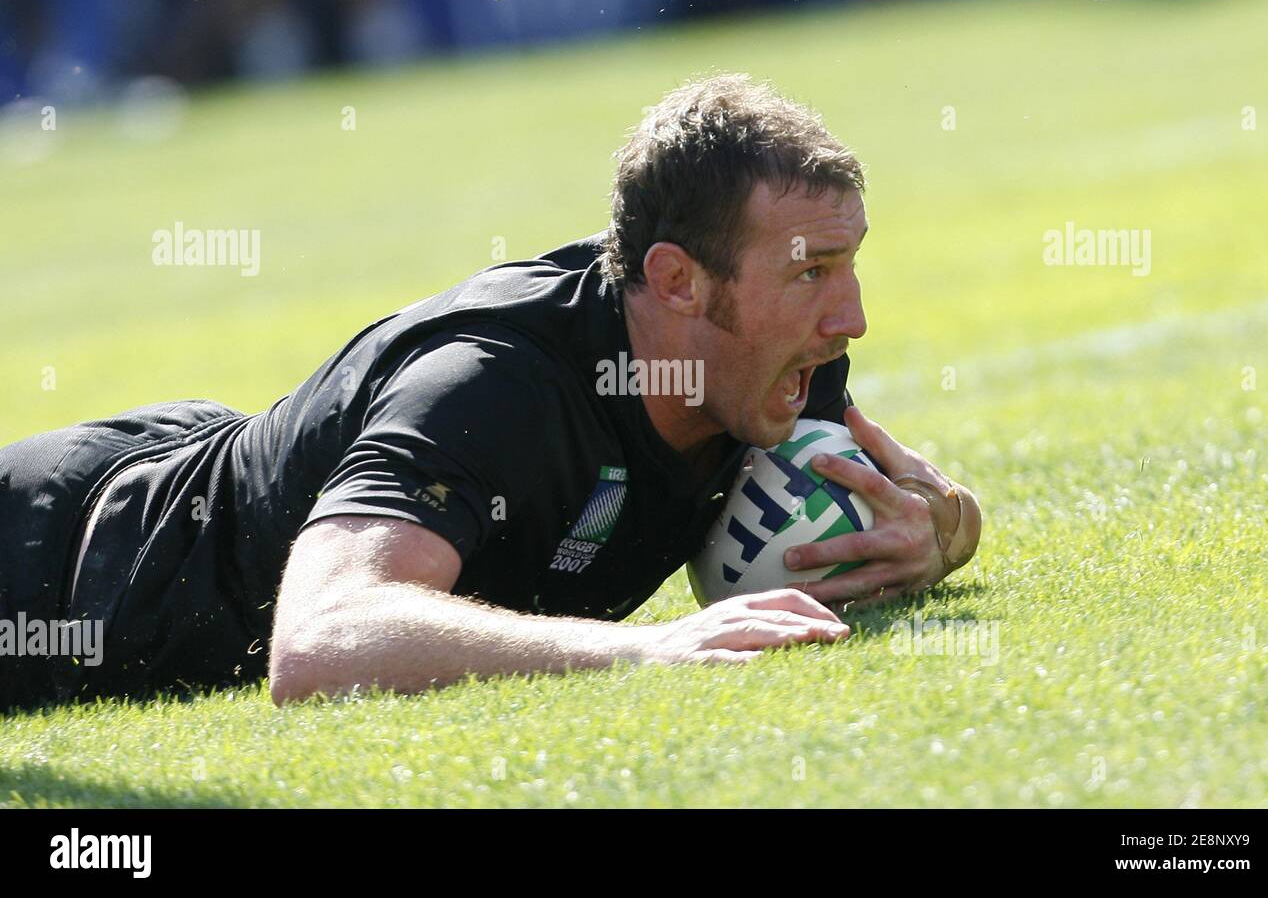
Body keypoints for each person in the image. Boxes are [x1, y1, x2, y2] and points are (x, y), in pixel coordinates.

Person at [0, 73, 980, 710]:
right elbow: (319, 640)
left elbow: (916, 504)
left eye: (848, 266)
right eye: (811, 270)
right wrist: (645, 650)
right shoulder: (494, 386)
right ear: (678, 280)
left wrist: (943, 530)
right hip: (70, 558)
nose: (848, 316)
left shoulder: (776, 359)